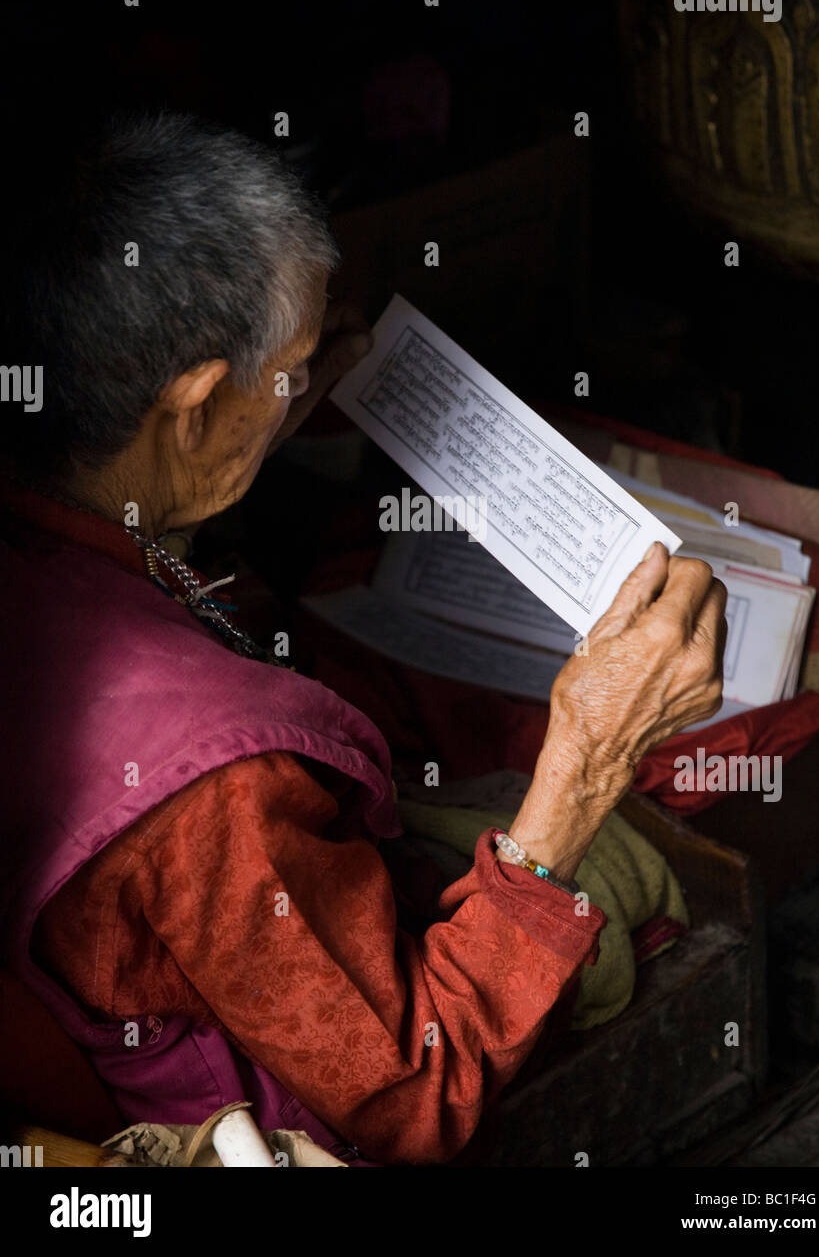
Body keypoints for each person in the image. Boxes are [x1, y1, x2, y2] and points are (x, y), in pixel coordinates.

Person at [0, 112, 726, 1165]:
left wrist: (273, 406)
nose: (319, 372)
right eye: (293, 363)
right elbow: (408, 1101)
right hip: (303, 1102)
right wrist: (587, 752)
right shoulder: (213, 795)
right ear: (193, 408)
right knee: (621, 875)